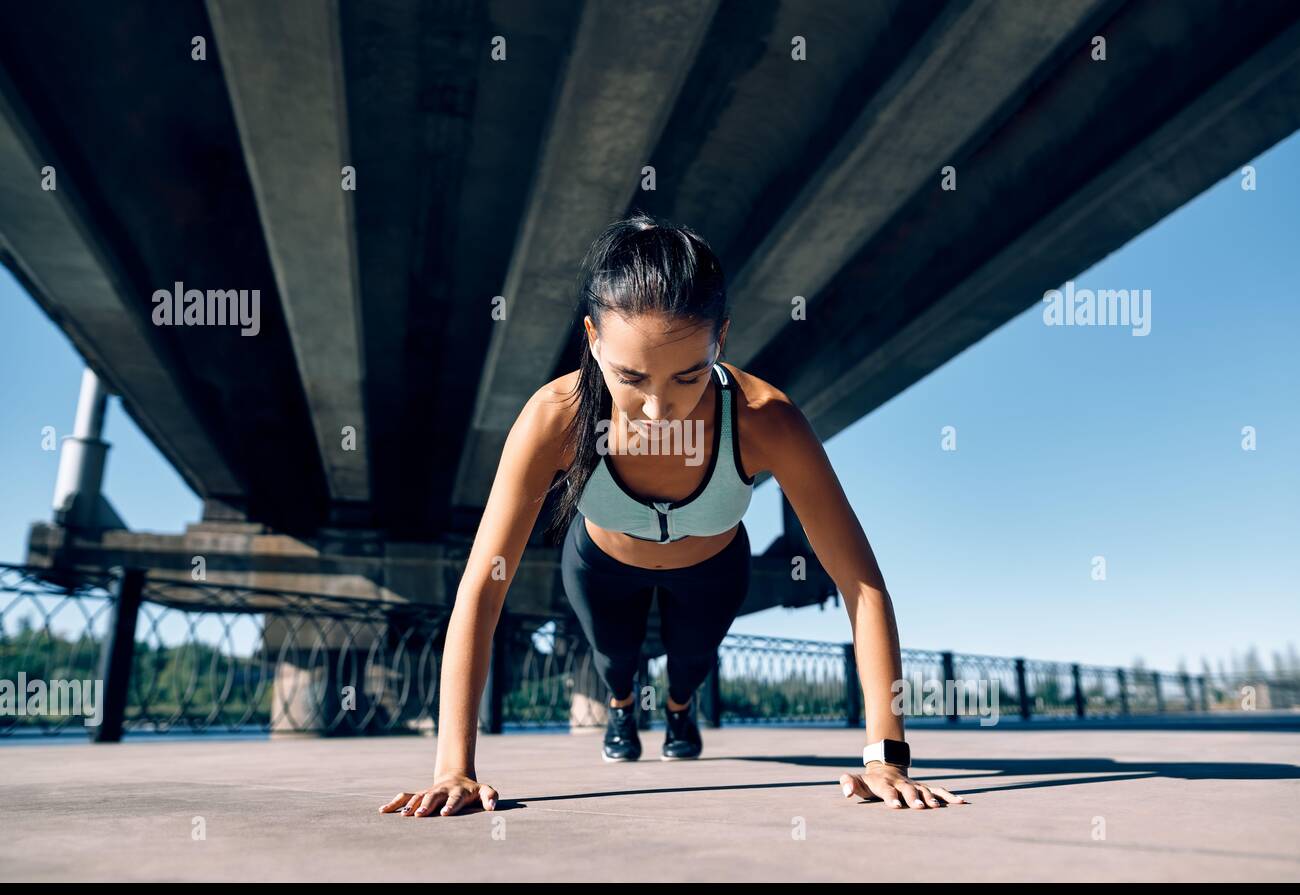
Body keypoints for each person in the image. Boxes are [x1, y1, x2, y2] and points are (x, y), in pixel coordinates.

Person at [380, 213, 968, 818]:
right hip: (602, 565)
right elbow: (483, 587)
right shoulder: (554, 416)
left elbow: (860, 585)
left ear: (722, 340)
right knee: (614, 658)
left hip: (713, 567)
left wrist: (886, 756)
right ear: (592, 338)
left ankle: (680, 711)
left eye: (688, 375)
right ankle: (619, 705)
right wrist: (455, 767)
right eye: (630, 377)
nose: (659, 411)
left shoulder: (767, 419)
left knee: (691, 660)